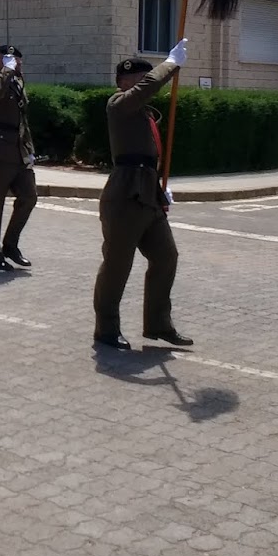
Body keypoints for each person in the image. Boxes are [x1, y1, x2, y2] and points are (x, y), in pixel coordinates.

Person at [92, 42, 193, 349]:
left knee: (166, 257)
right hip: (124, 194)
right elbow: (145, 89)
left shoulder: (145, 114)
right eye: (141, 77)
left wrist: (161, 187)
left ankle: (159, 324)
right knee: (117, 264)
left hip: (148, 193)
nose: (147, 83)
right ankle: (106, 329)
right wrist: (170, 64)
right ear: (124, 80)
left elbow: (152, 156)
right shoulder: (119, 104)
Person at [0, 45, 37, 271]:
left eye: (18, 60)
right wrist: (6, 71)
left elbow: (23, 121)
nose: (17, 64)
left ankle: (10, 245)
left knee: (29, 196)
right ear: (0, 60)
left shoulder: (18, 84)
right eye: (11, 60)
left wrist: (30, 150)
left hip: (18, 150)